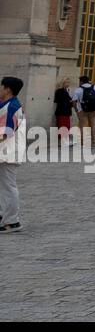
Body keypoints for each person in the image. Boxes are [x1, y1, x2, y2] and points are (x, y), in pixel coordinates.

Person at [0, 77, 24, 233]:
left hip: (9, 153)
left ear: (7, 89)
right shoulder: (5, 104)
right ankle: (3, 215)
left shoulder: (14, 106)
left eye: (1, 86)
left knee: (8, 186)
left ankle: (12, 221)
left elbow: (7, 132)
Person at [74, 75, 95, 150]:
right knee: (92, 125)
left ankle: (83, 142)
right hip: (93, 109)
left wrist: (76, 110)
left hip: (82, 110)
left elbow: (74, 101)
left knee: (82, 126)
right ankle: (93, 142)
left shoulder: (78, 89)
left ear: (81, 82)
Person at [53, 77, 74, 142]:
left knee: (66, 126)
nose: (68, 84)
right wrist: (70, 102)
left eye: (68, 82)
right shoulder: (59, 91)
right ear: (63, 83)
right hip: (62, 111)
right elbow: (60, 101)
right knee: (63, 126)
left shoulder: (66, 91)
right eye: (67, 82)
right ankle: (64, 140)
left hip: (66, 112)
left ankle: (65, 140)